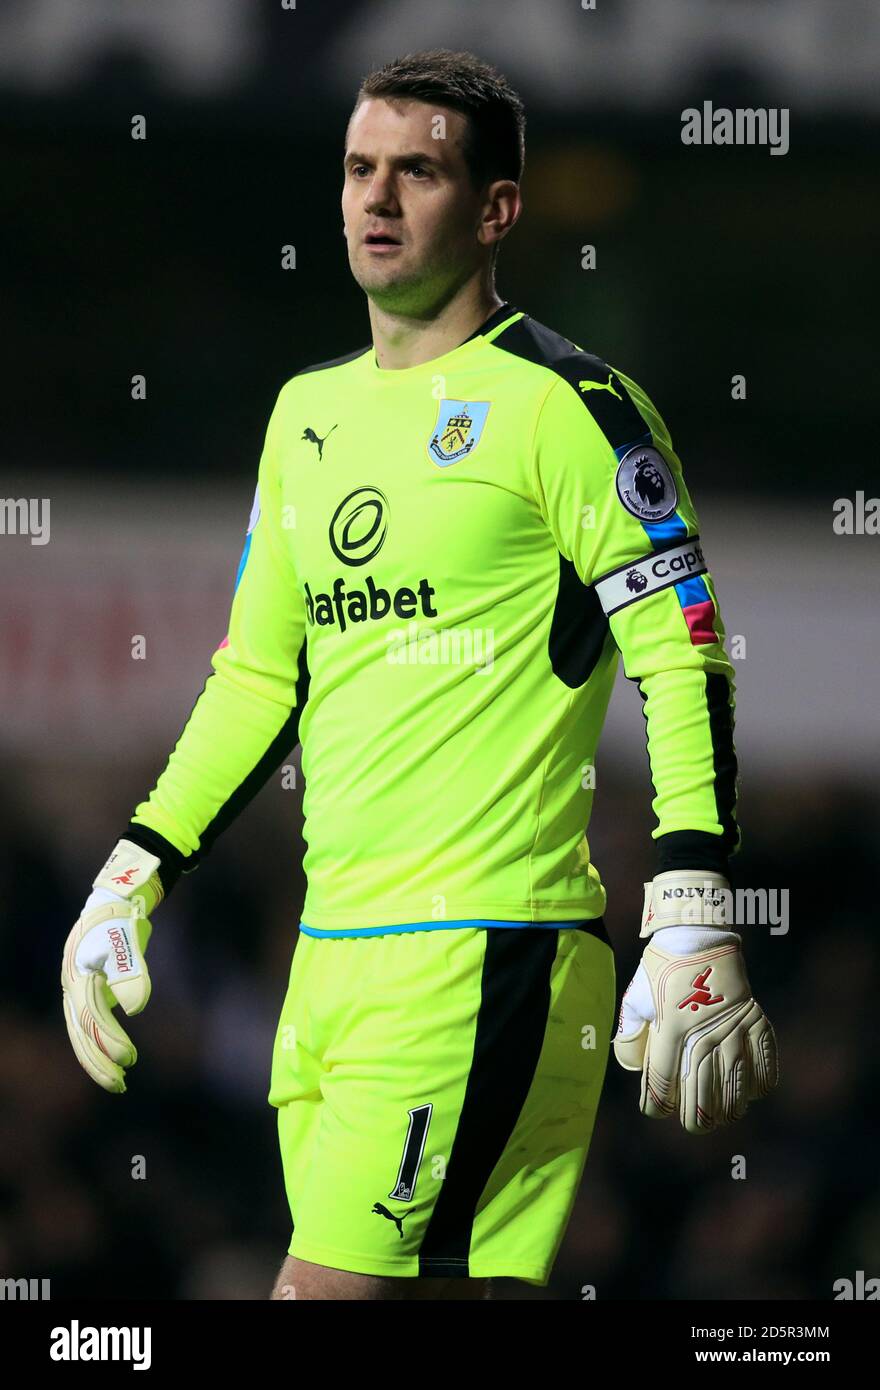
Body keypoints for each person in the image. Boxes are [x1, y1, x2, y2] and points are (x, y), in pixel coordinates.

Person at [61, 48, 778, 1302]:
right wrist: (134, 868)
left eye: (419, 171)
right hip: (331, 960)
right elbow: (253, 680)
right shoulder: (304, 416)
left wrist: (695, 890)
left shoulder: (569, 406)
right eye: (358, 168)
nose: (376, 199)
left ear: (495, 209)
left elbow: (683, 647)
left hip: (483, 952)